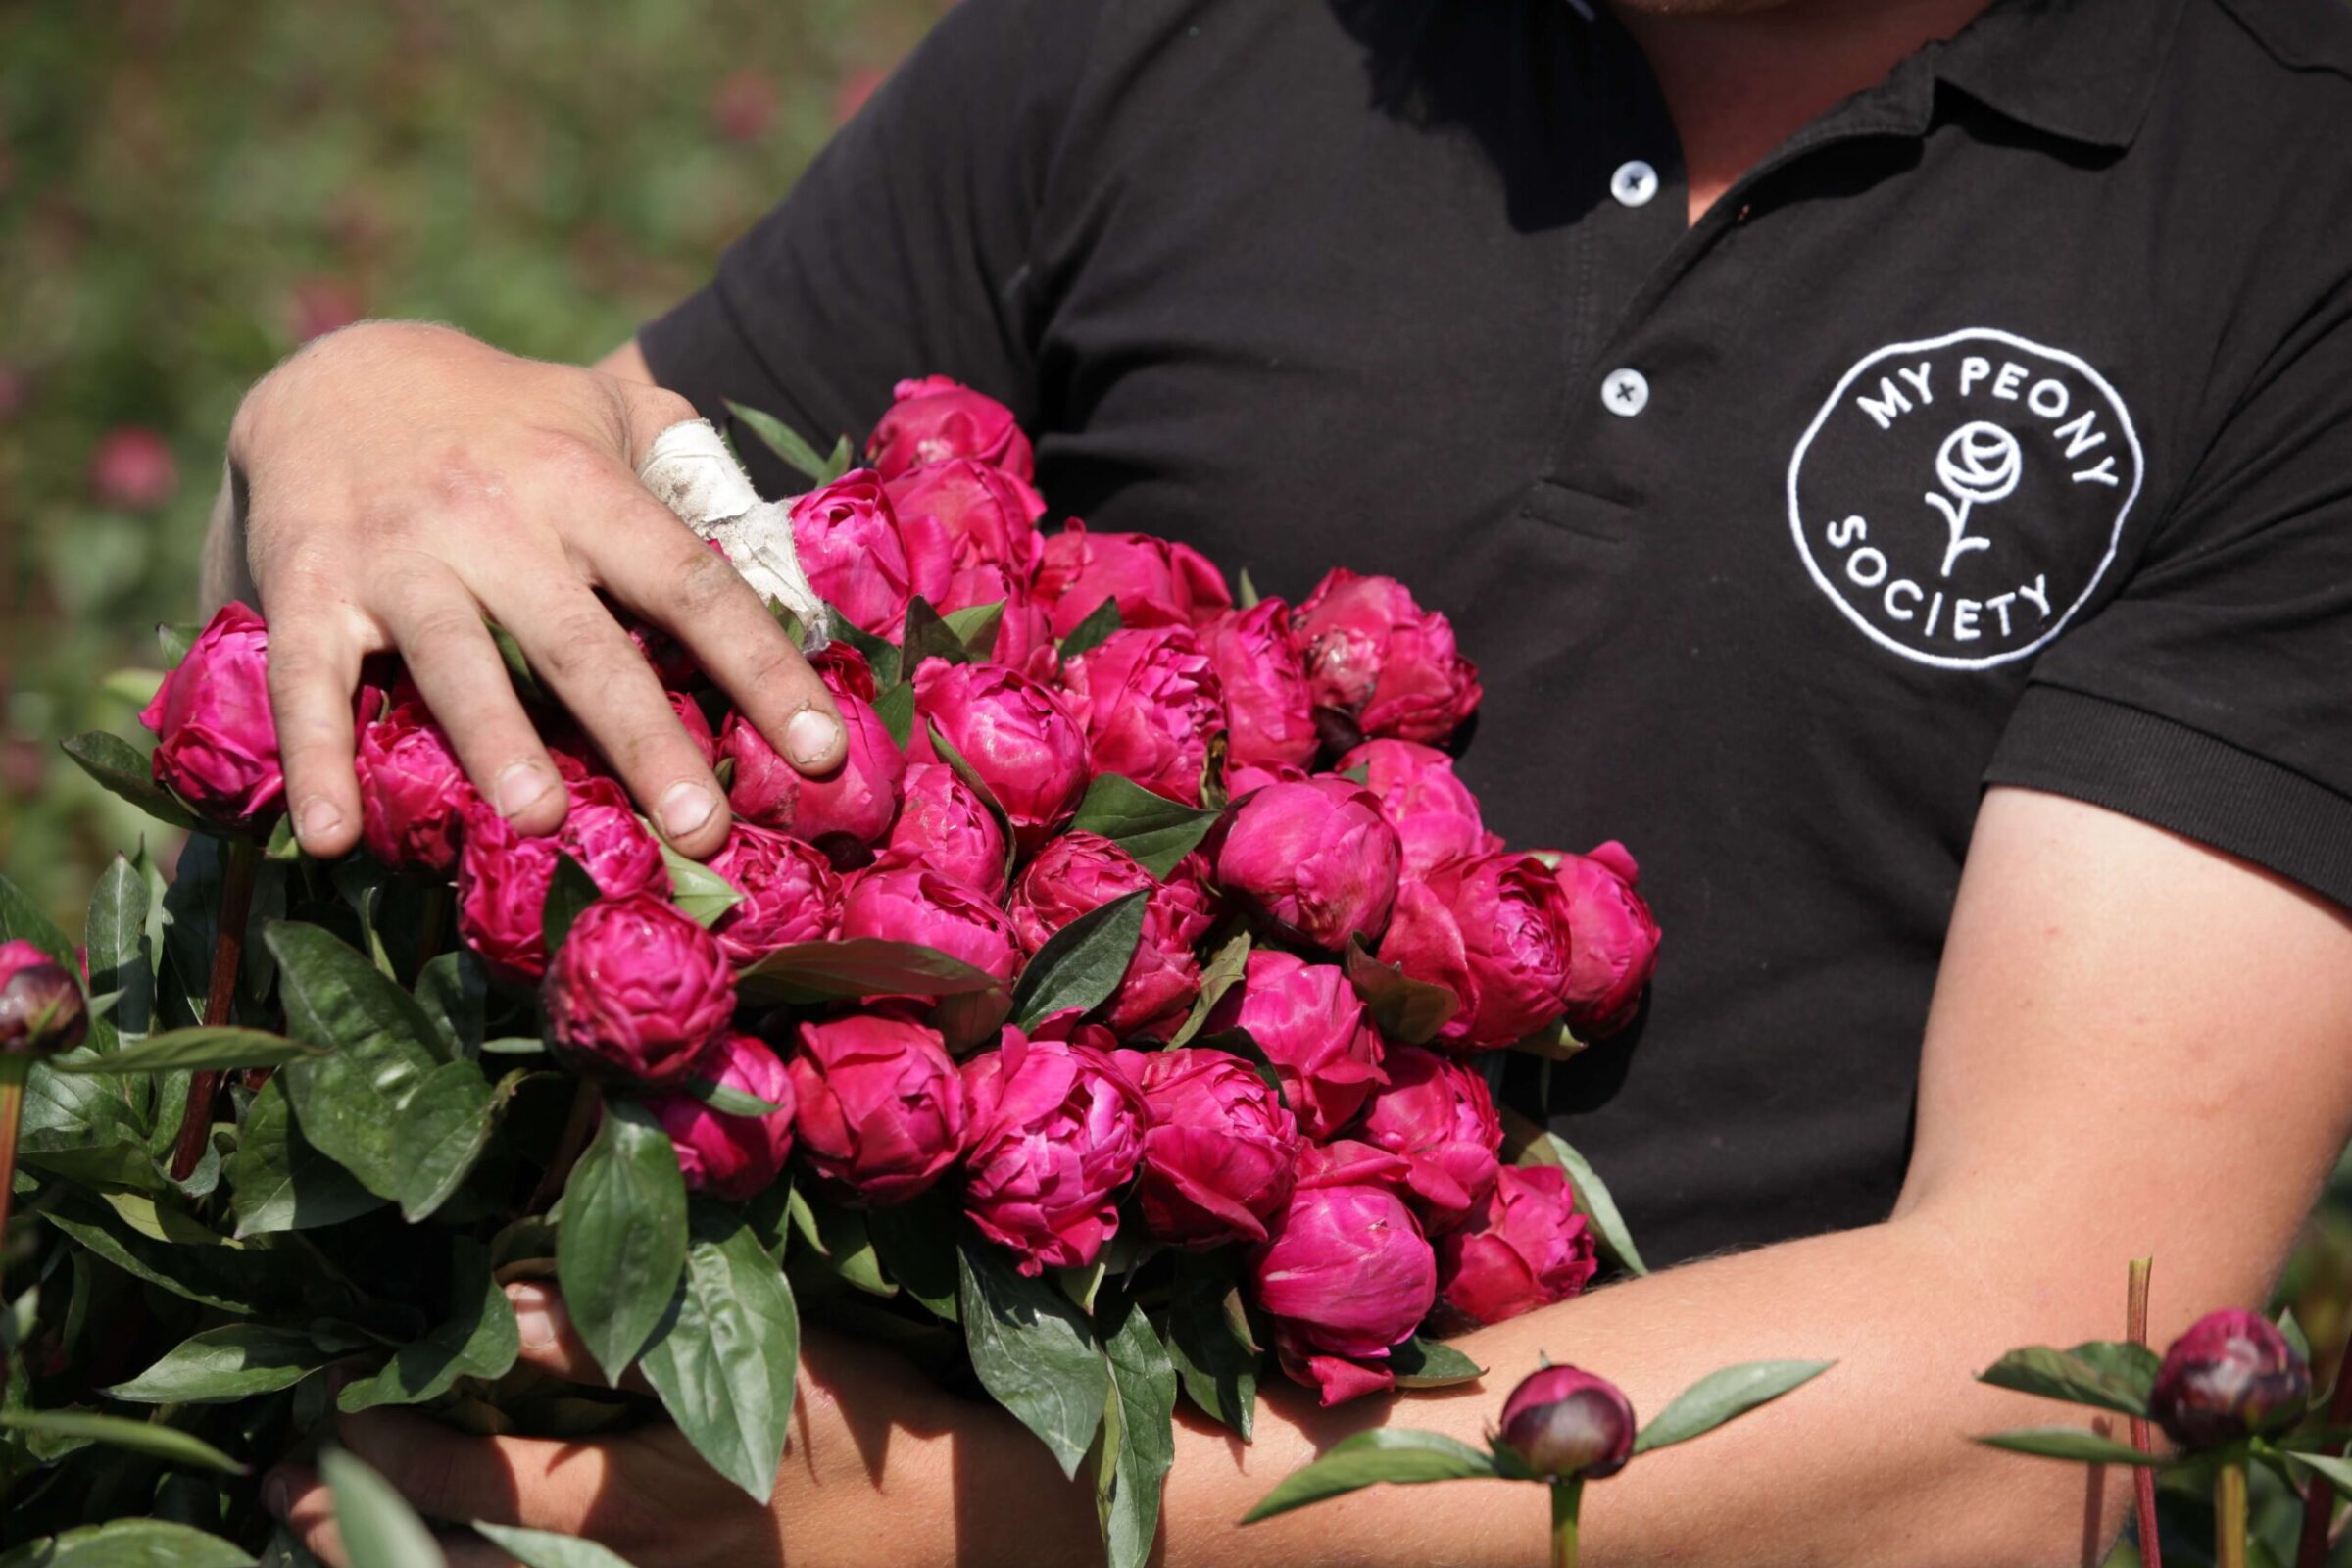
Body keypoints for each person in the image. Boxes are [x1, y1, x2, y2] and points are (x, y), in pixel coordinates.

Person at [226, 0, 2352, 1561]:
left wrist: (1006, 1520)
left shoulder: (2289, 198)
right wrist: (363, 408)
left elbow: (2048, 1378)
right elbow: (633, 485)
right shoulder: (1204, 33)